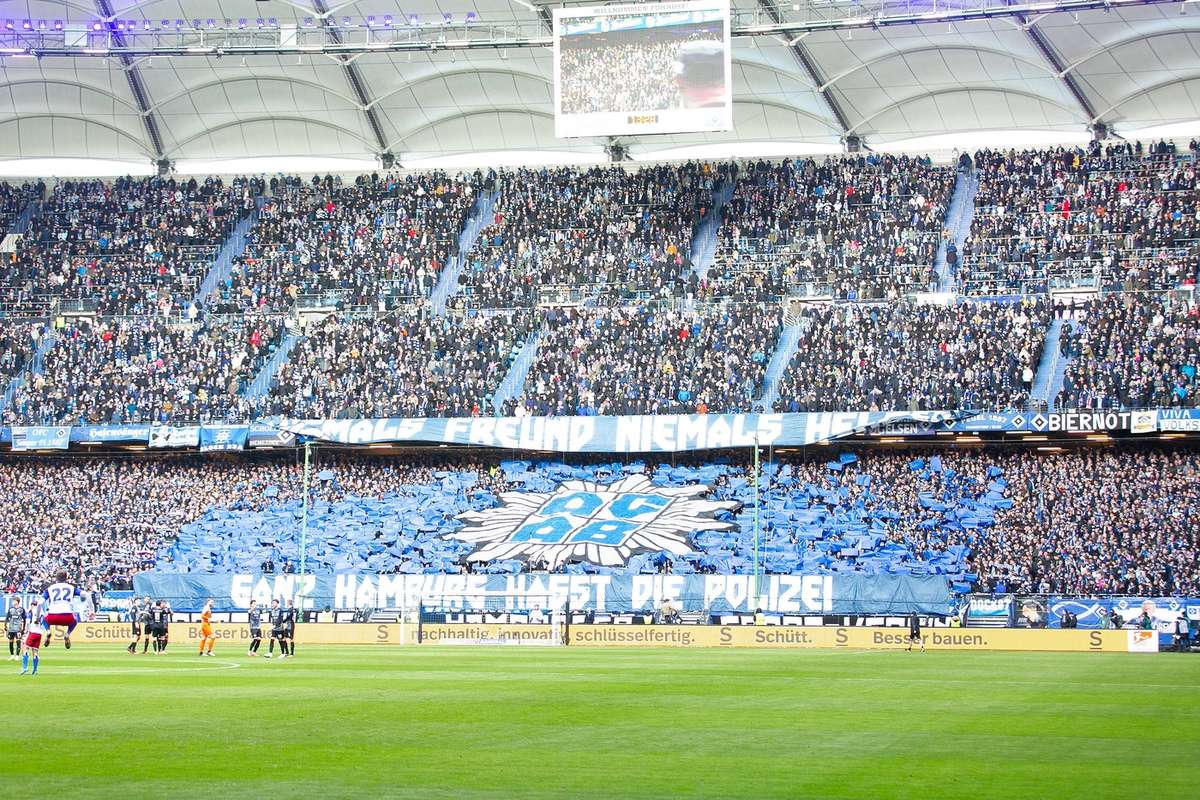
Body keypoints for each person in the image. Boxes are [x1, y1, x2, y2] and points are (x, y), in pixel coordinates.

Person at [42, 570, 84, 649]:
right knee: (75, 620)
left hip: (52, 616)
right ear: (66, 578)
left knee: (43, 618)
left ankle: (48, 631)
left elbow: (40, 603)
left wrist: (37, 617)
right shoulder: (71, 588)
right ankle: (67, 633)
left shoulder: (50, 588)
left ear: (56, 578)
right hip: (67, 616)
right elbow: (85, 594)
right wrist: (91, 608)